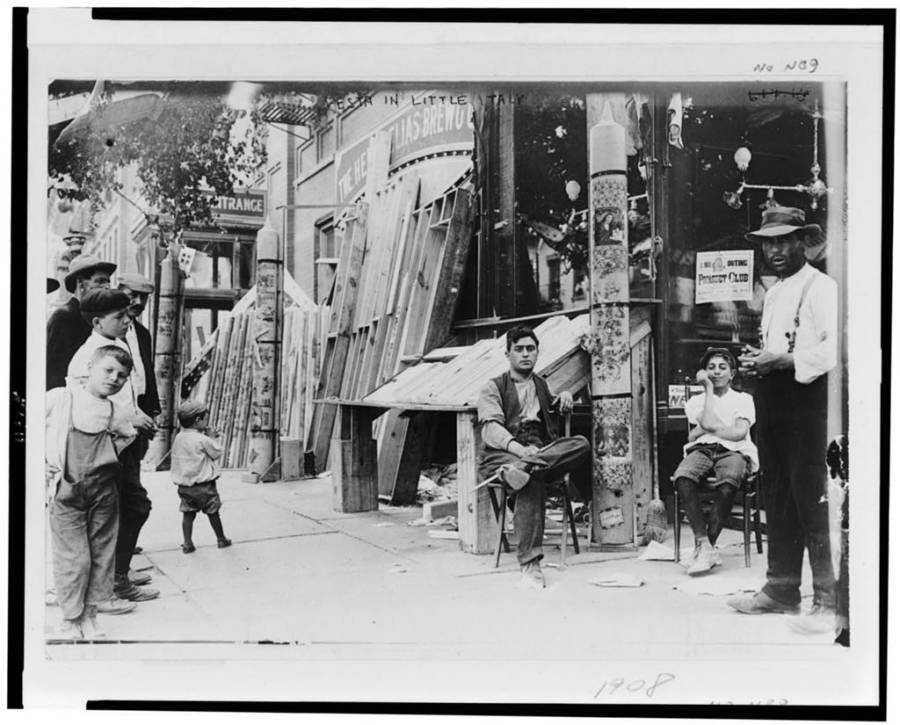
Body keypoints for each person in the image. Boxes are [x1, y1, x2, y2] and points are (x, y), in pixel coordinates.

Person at [729, 206, 838, 619]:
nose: (774, 250)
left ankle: (828, 595)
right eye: (768, 242)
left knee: (811, 494)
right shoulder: (773, 292)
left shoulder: (821, 287)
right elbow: (775, 349)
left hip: (806, 400)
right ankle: (781, 588)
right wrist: (757, 361)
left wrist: (782, 360)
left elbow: (831, 351)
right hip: (772, 397)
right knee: (777, 493)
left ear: (800, 242)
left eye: (783, 240)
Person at [476, 325, 591, 589]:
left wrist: (563, 397)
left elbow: (552, 408)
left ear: (537, 352)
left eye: (531, 349)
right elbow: (491, 430)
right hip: (504, 454)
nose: (525, 354)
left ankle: (523, 469)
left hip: (540, 453)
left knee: (581, 444)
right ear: (508, 354)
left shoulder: (541, 385)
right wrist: (518, 450)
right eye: (519, 349)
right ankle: (530, 566)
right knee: (530, 480)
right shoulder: (492, 388)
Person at [68, 288, 160, 604]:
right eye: (118, 316)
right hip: (104, 447)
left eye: (127, 314)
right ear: (97, 321)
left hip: (124, 443)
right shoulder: (88, 357)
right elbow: (87, 405)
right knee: (133, 507)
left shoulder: (116, 344)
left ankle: (118, 572)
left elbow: (126, 393)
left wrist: (137, 415)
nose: (126, 320)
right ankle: (115, 579)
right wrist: (129, 416)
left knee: (124, 508)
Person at [46, 346, 138, 638]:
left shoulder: (116, 411)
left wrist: (111, 450)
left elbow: (128, 434)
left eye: (122, 376)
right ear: (90, 367)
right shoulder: (62, 398)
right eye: (108, 370)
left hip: (104, 493)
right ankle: (70, 618)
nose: (114, 379)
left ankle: (90, 616)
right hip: (66, 491)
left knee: (102, 556)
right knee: (74, 558)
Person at [673, 347, 757, 576]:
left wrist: (710, 427)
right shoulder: (696, 401)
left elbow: (738, 434)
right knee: (683, 477)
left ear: (732, 373)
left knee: (729, 481)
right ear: (704, 373)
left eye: (722, 367)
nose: (716, 372)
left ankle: (706, 547)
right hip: (702, 449)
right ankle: (705, 545)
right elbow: (697, 434)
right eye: (711, 368)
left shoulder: (744, 399)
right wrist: (708, 391)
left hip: (735, 451)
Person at [117, 272, 160, 558]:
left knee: (132, 480)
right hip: (117, 420)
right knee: (126, 492)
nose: (138, 302)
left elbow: (147, 373)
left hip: (139, 417)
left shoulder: (141, 332)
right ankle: (120, 555)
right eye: (132, 295)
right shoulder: (110, 330)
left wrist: (153, 410)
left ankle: (125, 546)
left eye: (143, 297)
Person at [46, 254, 116, 390]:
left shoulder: (97, 317)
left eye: (108, 281)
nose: (107, 287)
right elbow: (53, 371)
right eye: (100, 281)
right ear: (80, 284)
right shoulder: (64, 317)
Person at [171, 401, 231, 553]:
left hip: (184, 486)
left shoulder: (178, 437)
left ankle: (187, 543)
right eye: (205, 419)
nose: (207, 422)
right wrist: (211, 437)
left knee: (188, 514)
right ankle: (221, 539)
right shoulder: (202, 439)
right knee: (213, 512)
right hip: (204, 486)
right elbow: (216, 453)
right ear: (198, 420)